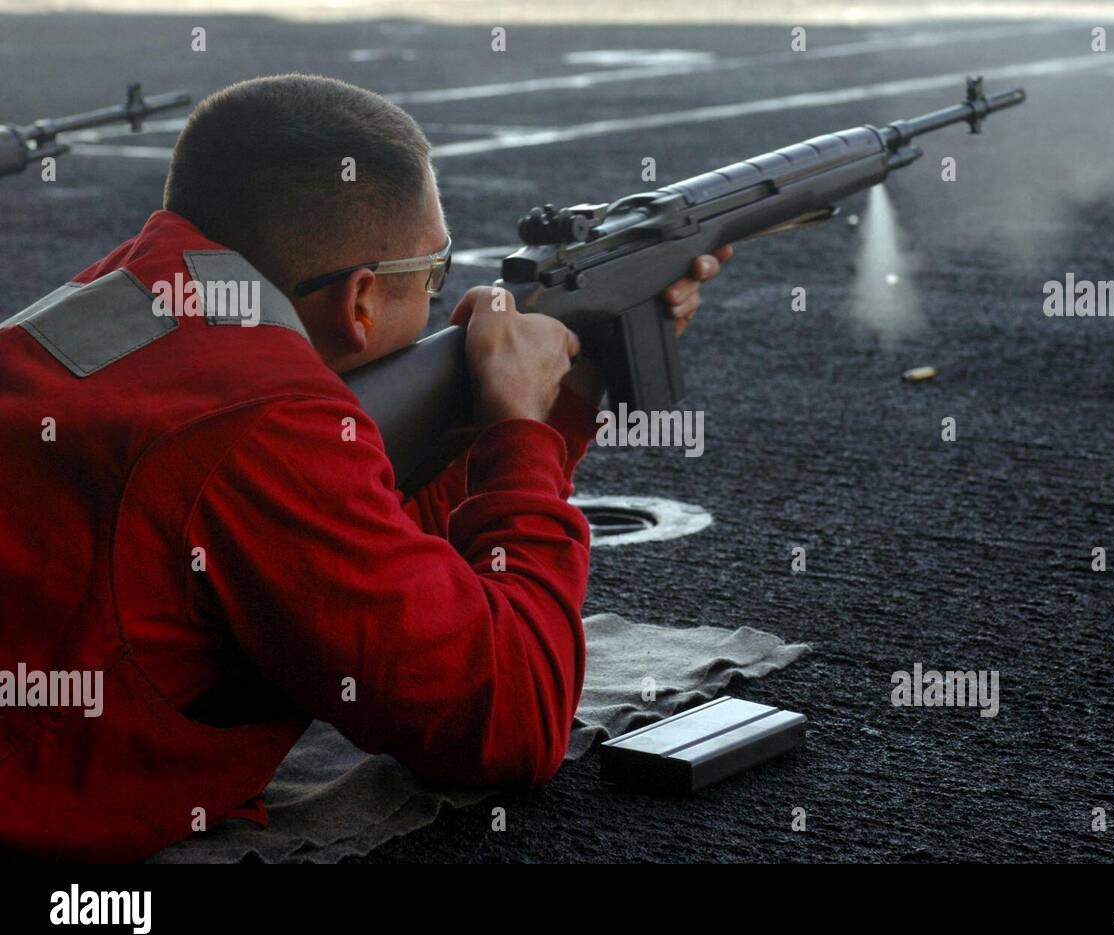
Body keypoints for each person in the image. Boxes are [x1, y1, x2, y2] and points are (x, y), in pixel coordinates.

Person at [0, 73, 731, 861]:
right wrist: (520, 431)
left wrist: (572, 385)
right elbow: (515, 722)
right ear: (360, 303)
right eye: (435, 273)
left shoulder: (135, 294)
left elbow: (365, 547)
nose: (443, 293)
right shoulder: (267, 423)